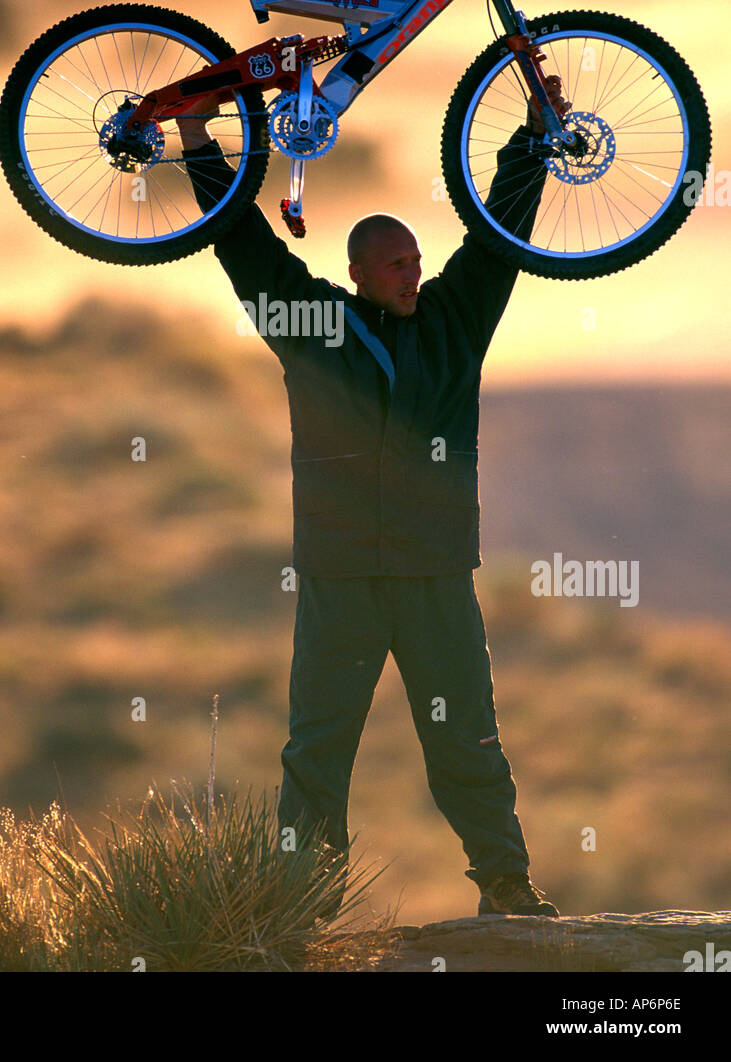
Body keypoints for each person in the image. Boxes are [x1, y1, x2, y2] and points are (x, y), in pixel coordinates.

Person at [176, 75, 568, 918]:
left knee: (466, 738)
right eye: (394, 265)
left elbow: (497, 240)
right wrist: (200, 147)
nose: (411, 275)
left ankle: (505, 885)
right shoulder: (315, 329)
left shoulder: (453, 324)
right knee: (317, 752)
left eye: (415, 263)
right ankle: (298, 907)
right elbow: (246, 252)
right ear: (355, 273)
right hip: (342, 579)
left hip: (433, 577)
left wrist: (535, 133)